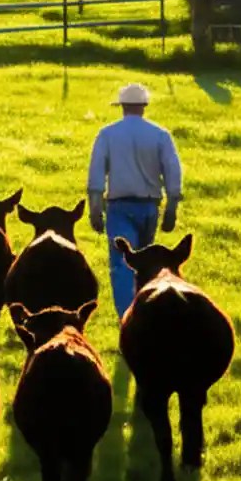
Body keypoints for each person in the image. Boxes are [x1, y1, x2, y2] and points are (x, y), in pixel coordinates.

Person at [86, 83, 183, 320]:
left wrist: (95, 209)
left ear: (122, 107)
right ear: (144, 107)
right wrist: (171, 207)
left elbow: (97, 174)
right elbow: (173, 170)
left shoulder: (108, 134)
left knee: (122, 264)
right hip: (149, 207)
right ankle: (147, 312)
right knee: (144, 263)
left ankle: (128, 317)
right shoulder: (159, 134)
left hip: (119, 207)